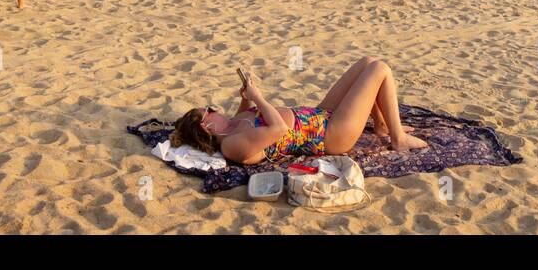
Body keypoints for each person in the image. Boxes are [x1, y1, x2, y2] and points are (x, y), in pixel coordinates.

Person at [171, 57, 428, 165]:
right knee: (380, 69)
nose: (214, 109)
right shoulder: (231, 146)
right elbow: (278, 129)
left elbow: (246, 117)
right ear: (206, 125)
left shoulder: (232, 127)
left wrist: (246, 98)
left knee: (367, 63)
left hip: (317, 116)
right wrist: (259, 98)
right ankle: (397, 138)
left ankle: (382, 125)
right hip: (330, 135)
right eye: (210, 110)